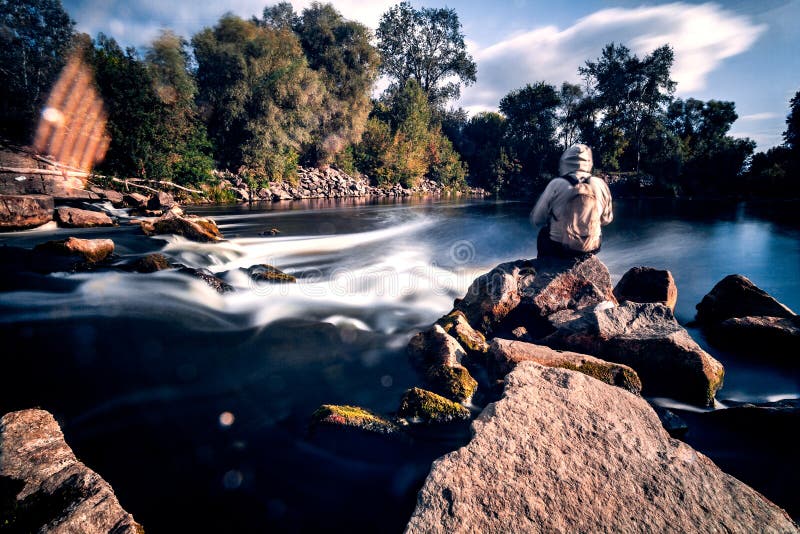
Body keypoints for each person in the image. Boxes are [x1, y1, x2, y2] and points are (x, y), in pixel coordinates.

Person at [530, 144, 613, 259]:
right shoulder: (600, 184)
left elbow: (537, 219)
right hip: (592, 246)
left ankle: (545, 268)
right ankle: (586, 260)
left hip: (561, 246)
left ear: (564, 163)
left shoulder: (557, 184)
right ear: (589, 163)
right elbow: (607, 219)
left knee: (543, 233)